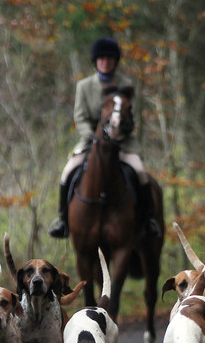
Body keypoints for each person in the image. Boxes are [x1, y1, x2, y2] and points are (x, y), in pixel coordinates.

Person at [47, 37, 162, 240]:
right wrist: (92, 137)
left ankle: (148, 220)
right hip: (91, 143)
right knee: (67, 173)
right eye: (101, 59)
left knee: (140, 172)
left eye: (109, 59)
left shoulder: (127, 85)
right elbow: (80, 117)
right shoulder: (84, 86)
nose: (105, 62)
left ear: (115, 61)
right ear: (95, 61)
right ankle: (63, 220)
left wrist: (120, 134)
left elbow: (133, 117)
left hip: (122, 144)